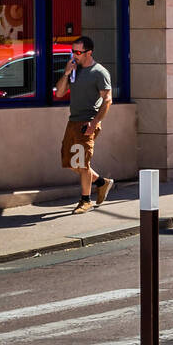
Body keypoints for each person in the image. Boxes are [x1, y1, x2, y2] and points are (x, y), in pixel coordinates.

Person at [55, 35, 114, 214]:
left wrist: (94, 123)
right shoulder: (74, 70)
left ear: (89, 52)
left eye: (78, 52)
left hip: (87, 123)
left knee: (82, 163)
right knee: (70, 161)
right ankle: (101, 182)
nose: (74, 55)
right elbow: (59, 93)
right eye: (72, 51)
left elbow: (108, 100)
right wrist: (66, 73)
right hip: (73, 121)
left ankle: (85, 200)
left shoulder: (99, 72)